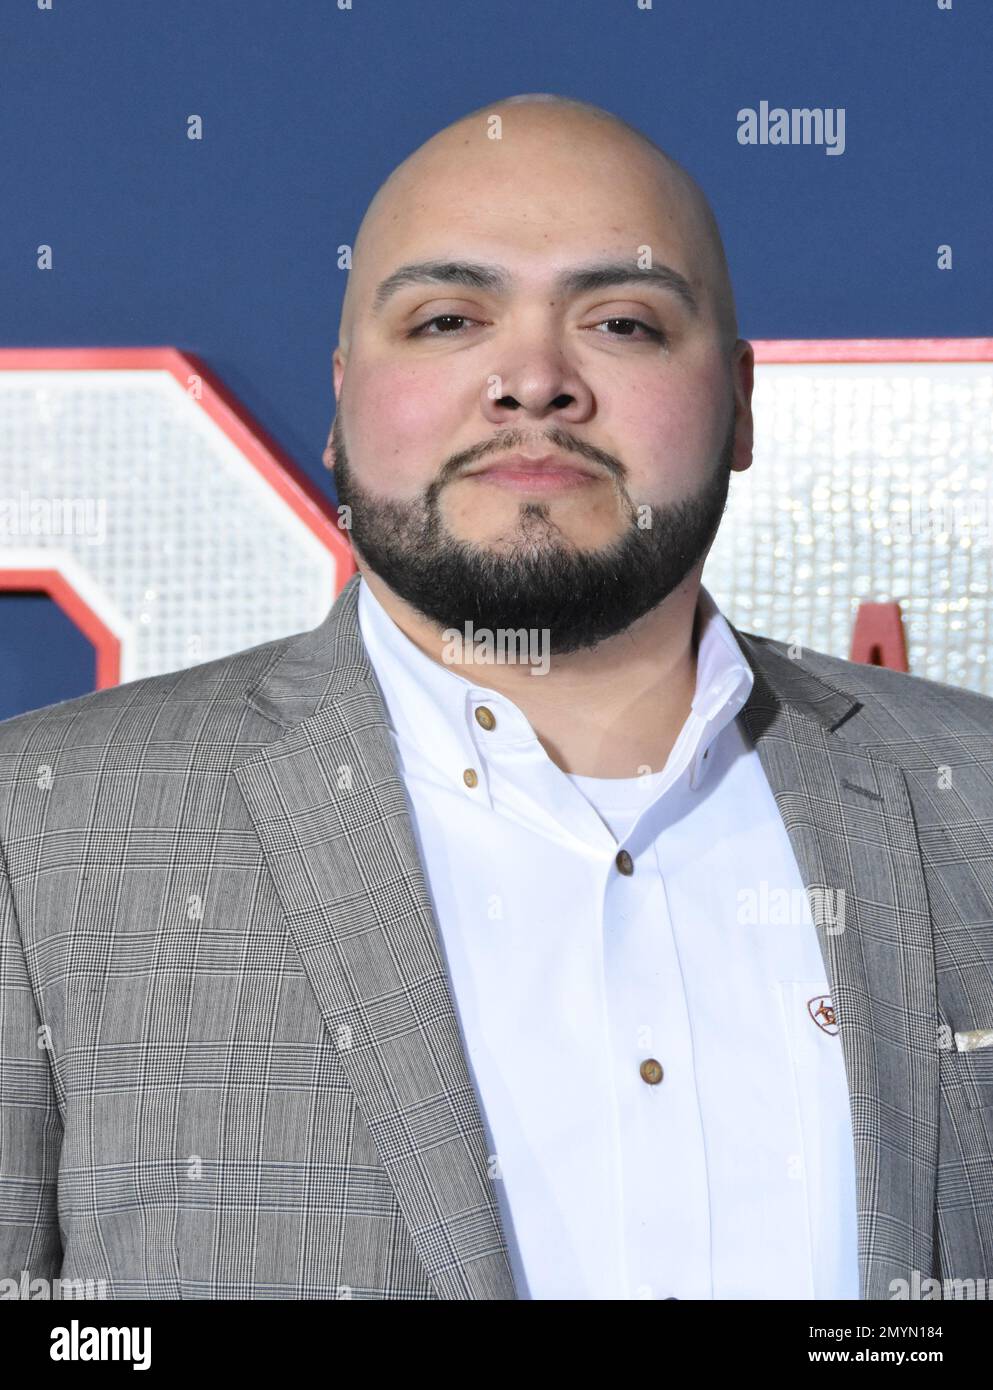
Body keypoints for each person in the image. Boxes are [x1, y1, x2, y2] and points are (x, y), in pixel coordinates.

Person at [2, 94, 992, 1302]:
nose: (532, 380)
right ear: (341, 402)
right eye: (447, 318)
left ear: (740, 404)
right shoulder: (37, 834)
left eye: (622, 321)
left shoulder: (972, 800)